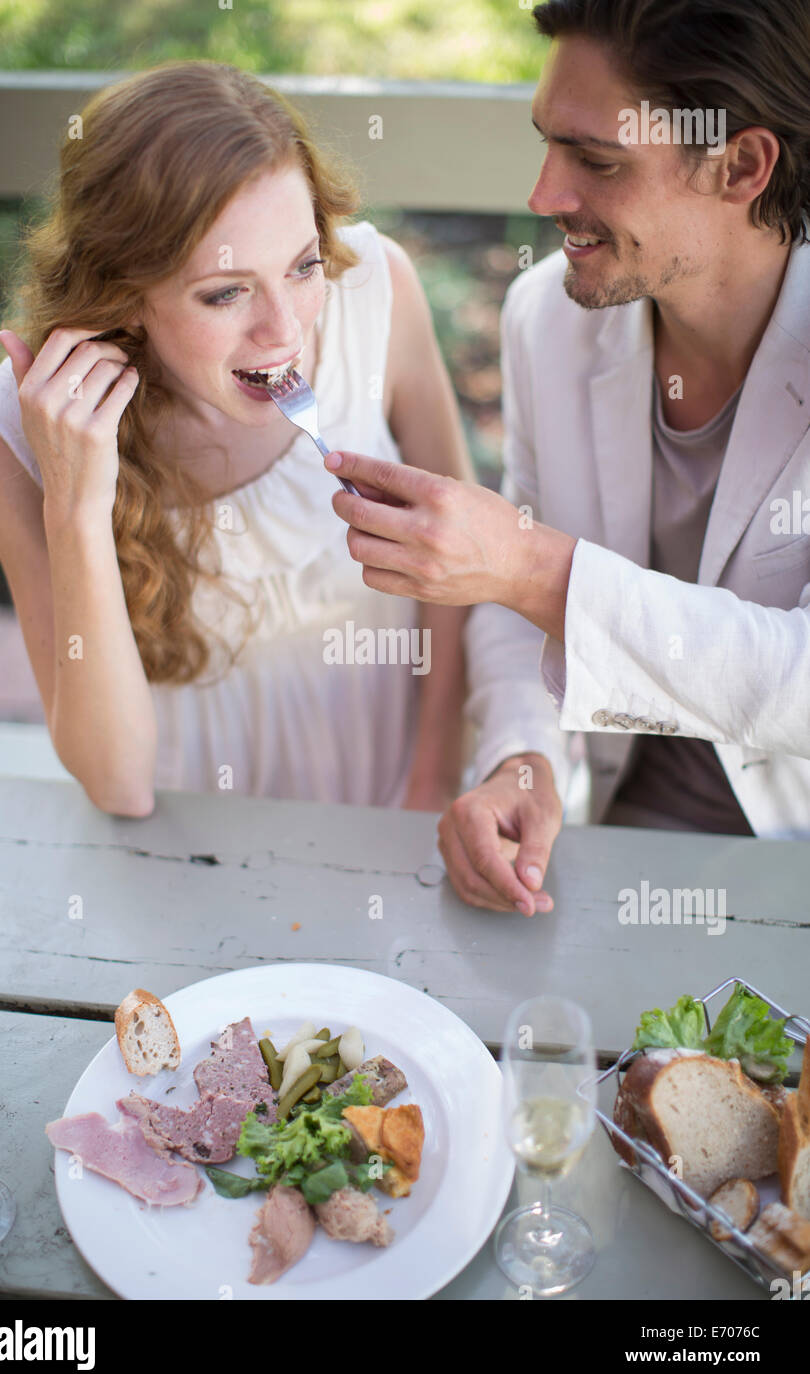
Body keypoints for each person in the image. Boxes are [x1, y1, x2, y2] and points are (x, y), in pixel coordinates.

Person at [320, 0, 810, 915]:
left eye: (598, 159)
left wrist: (527, 563)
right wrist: (521, 757)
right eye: (549, 142)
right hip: (617, 850)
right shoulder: (549, 317)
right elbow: (514, 604)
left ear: (742, 163)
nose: (544, 195)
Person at [0, 61, 473, 817]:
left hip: (397, 808)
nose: (285, 331)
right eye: (226, 292)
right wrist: (76, 504)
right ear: (126, 295)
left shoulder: (374, 293)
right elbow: (118, 784)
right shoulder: (7, 435)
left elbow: (459, 580)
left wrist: (432, 785)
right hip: (185, 849)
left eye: (302, 266)